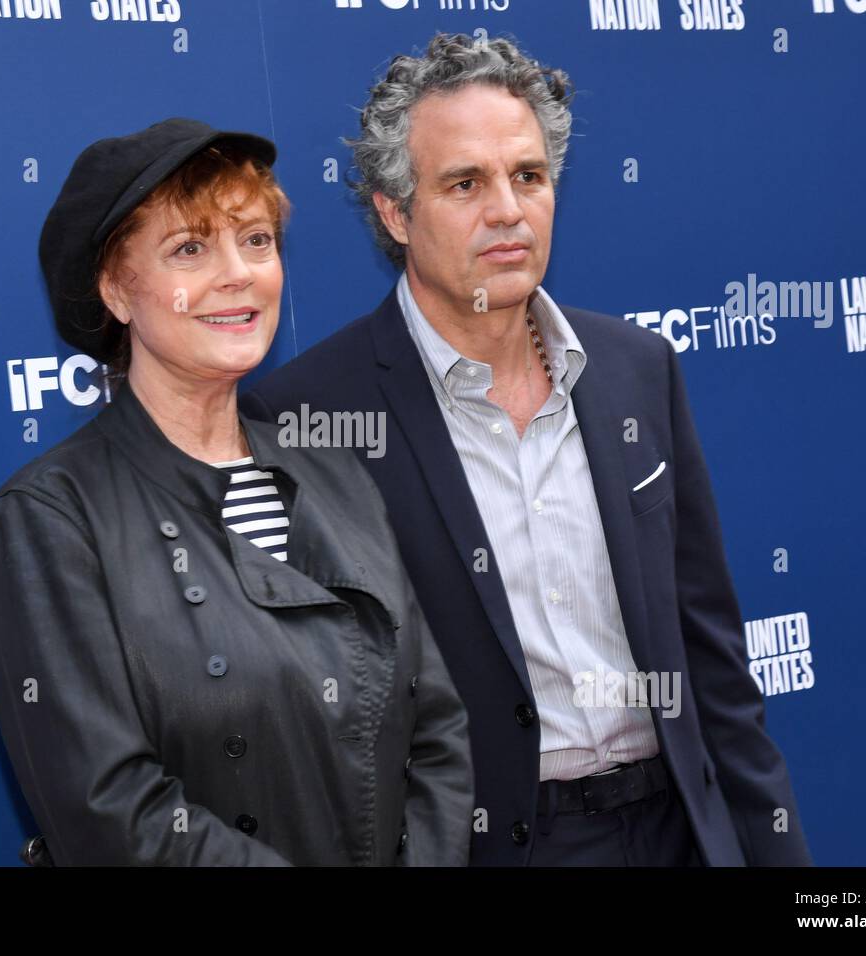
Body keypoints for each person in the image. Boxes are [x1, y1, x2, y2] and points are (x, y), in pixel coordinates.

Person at [240, 35, 813, 866]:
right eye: (465, 183)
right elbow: (314, 713)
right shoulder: (307, 412)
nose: (507, 209)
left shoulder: (635, 368)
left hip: (681, 828)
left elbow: (712, 662)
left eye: (529, 176)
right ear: (395, 214)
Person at [0, 118, 474, 866]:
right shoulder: (52, 520)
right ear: (115, 290)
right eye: (189, 249)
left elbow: (436, 728)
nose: (238, 273)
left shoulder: (332, 471)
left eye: (257, 240)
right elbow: (113, 814)